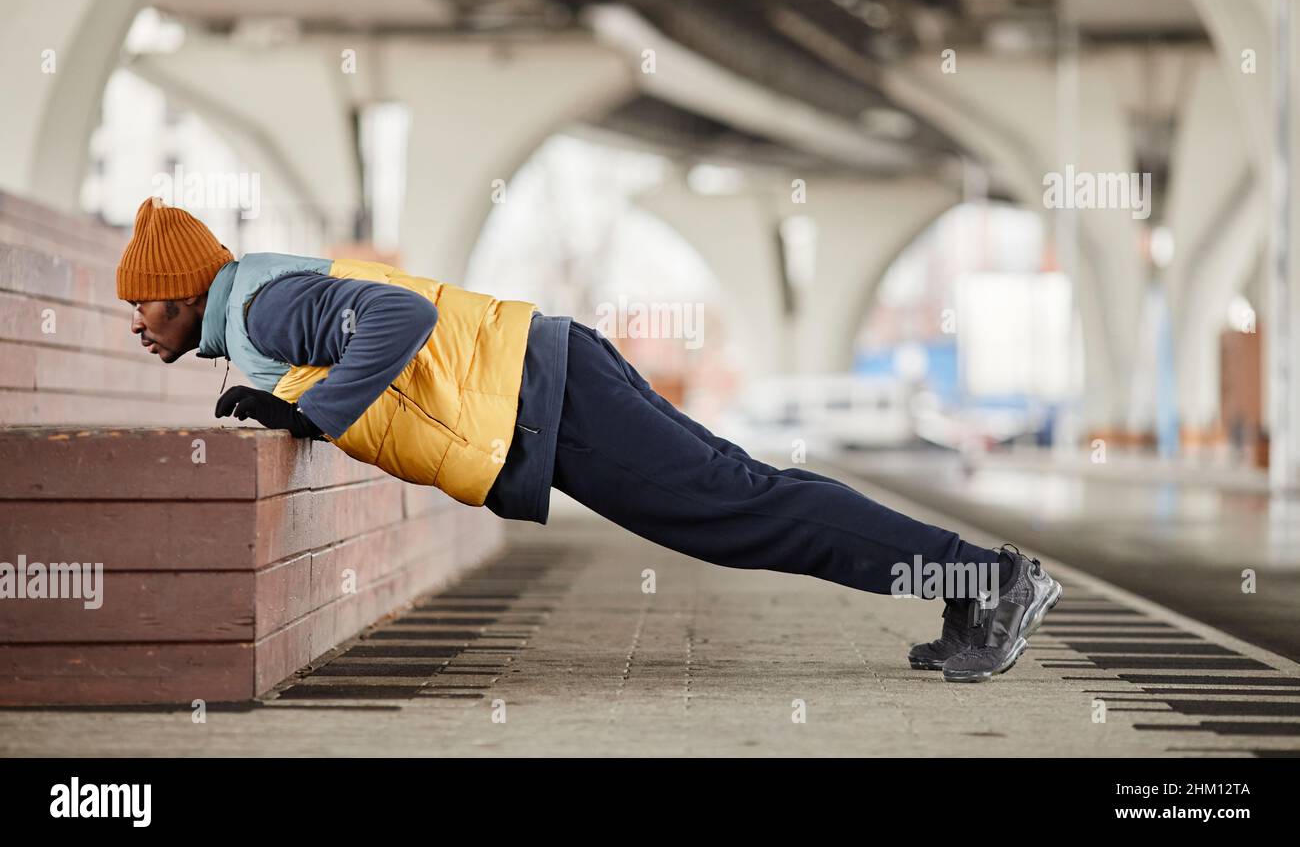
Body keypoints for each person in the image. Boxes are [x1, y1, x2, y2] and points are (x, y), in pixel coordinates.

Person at [116, 196, 1061, 683]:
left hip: (545, 397)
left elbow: (396, 318)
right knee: (746, 502)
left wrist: (308, 414)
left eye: (143, 303)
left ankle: (989, 579)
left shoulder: (268, 307)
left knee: (744, 509)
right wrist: (299, 405)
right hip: (548, 386)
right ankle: (970, 589)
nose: (136, 322)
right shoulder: (254, 318)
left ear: (189, 289)